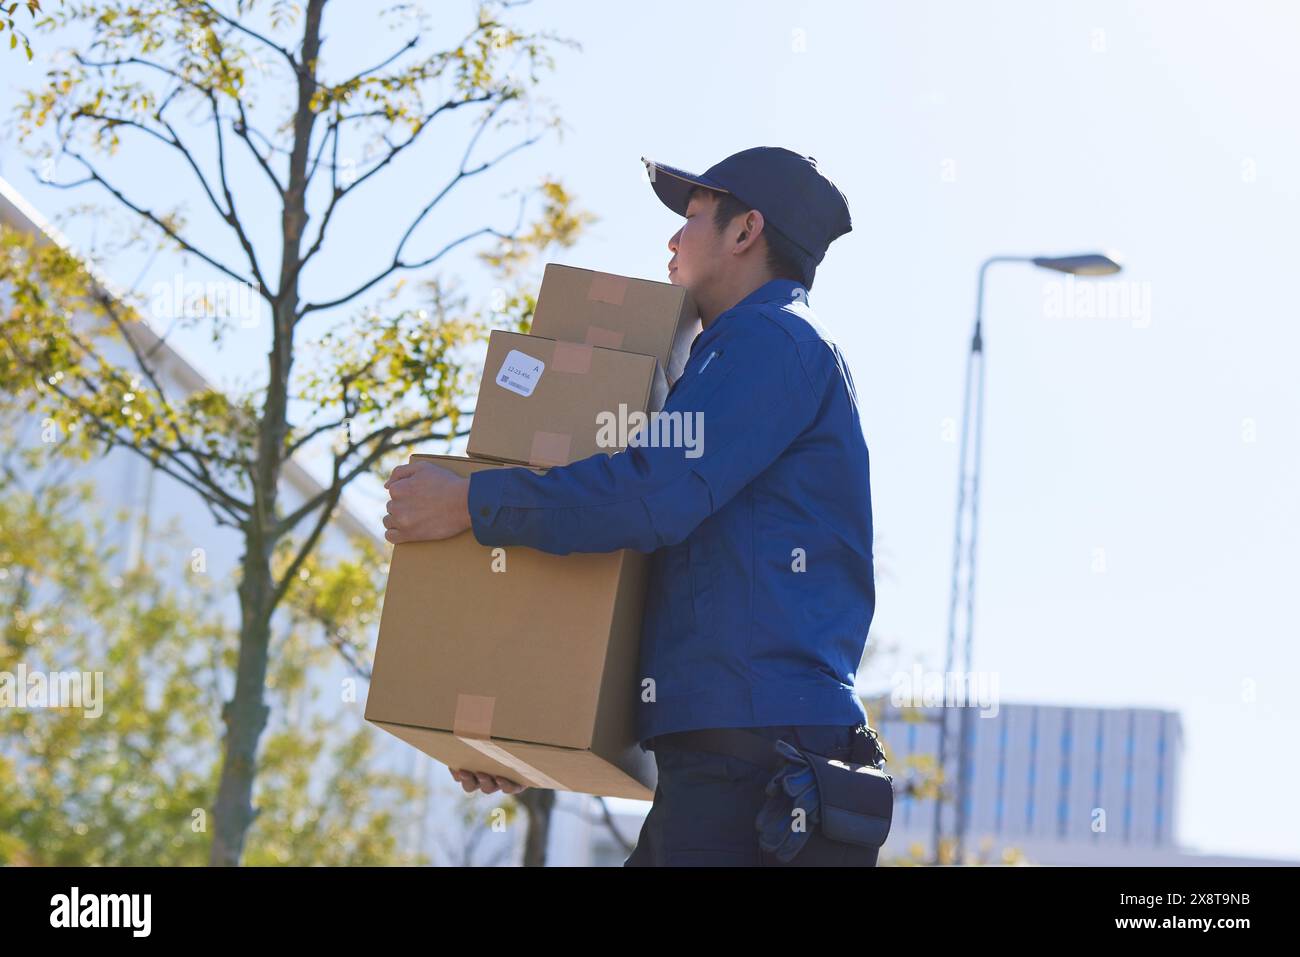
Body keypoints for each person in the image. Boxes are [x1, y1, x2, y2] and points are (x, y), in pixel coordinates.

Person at [383, 146, 876, 865]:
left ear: (746, 233)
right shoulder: (731, 356)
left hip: (761, 773)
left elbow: (649, 496)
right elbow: (645, 574)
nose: (673, 240)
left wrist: (472, 502)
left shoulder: (771, 343)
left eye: (694, 218)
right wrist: (520, 736)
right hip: (740, 766)